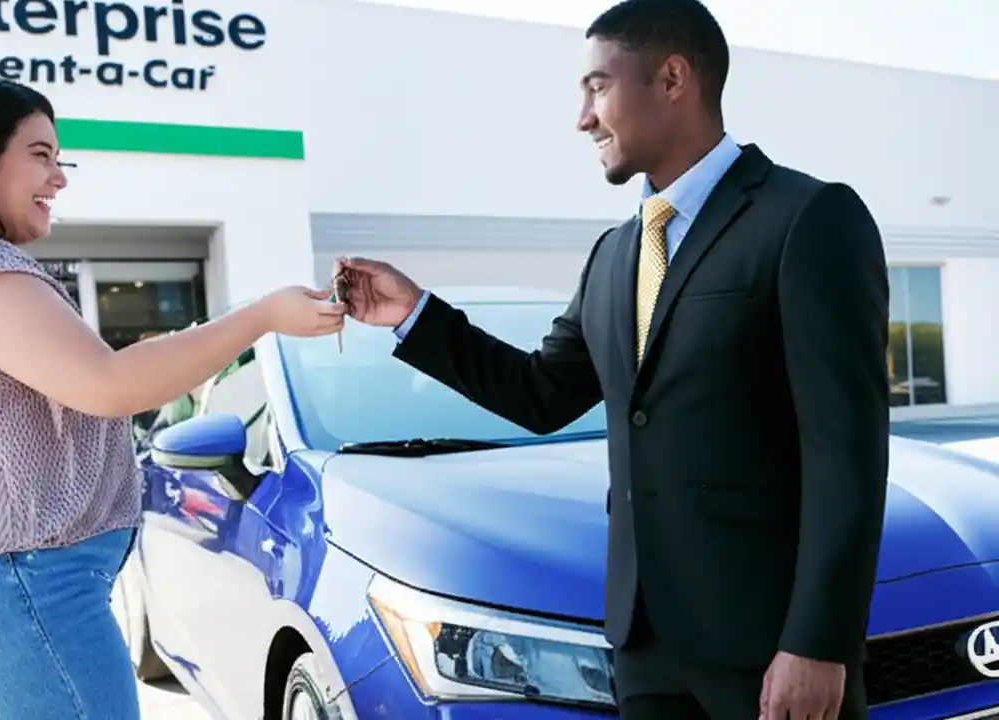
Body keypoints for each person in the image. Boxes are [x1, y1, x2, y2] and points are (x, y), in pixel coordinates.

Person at [334, 1, 889, 718]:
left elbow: (846, 453)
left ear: (672, 78)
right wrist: (412, 313)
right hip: (642, 649)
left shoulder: (807, 220)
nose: (582, 118)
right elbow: (540, 394)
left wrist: (820, 642)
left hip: (768, 649)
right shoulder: (614, 255)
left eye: (597, 86)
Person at [0, 75, 345, 719]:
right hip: (17, 586)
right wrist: (259, 318)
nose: (59, 178)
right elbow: (111, 384)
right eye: (40, 155)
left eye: (61, 159)